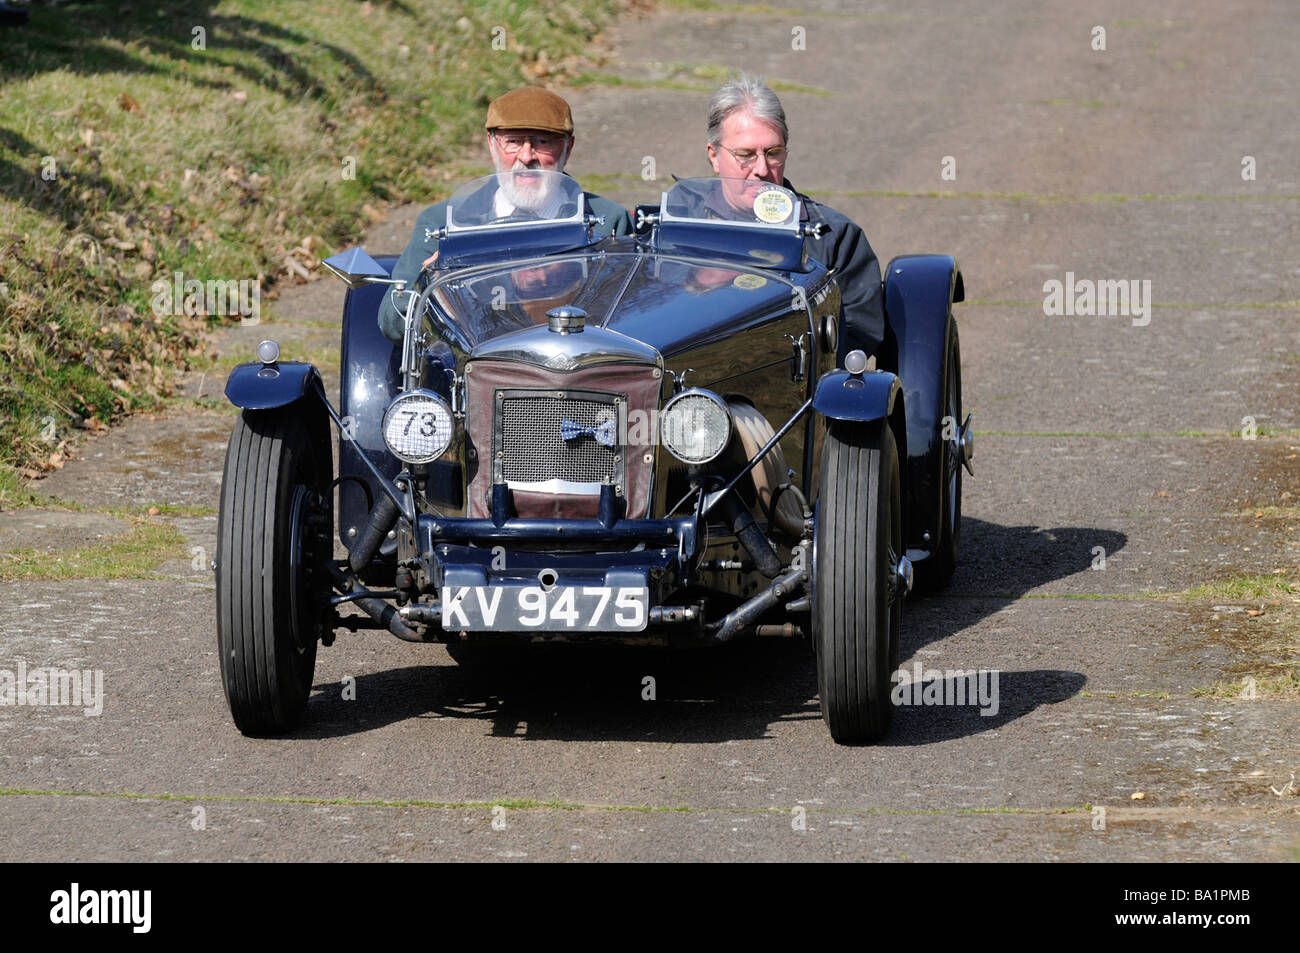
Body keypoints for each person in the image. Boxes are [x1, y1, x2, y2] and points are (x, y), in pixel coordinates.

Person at [377, 86, 633, 342]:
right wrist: (432, 285)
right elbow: (393, 323)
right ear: (492, 144)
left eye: (542, 142)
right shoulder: (443, 223)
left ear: (568, 148)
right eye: (513, 142)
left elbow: (634, 319)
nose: (526, 156)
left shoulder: (610, 220)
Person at [704, 75, 886, 360]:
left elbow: (858, 336)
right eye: (746, 154)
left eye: (773, 153)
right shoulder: (674, 232)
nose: (762, 168)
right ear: (714, 156)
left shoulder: (833, 237)